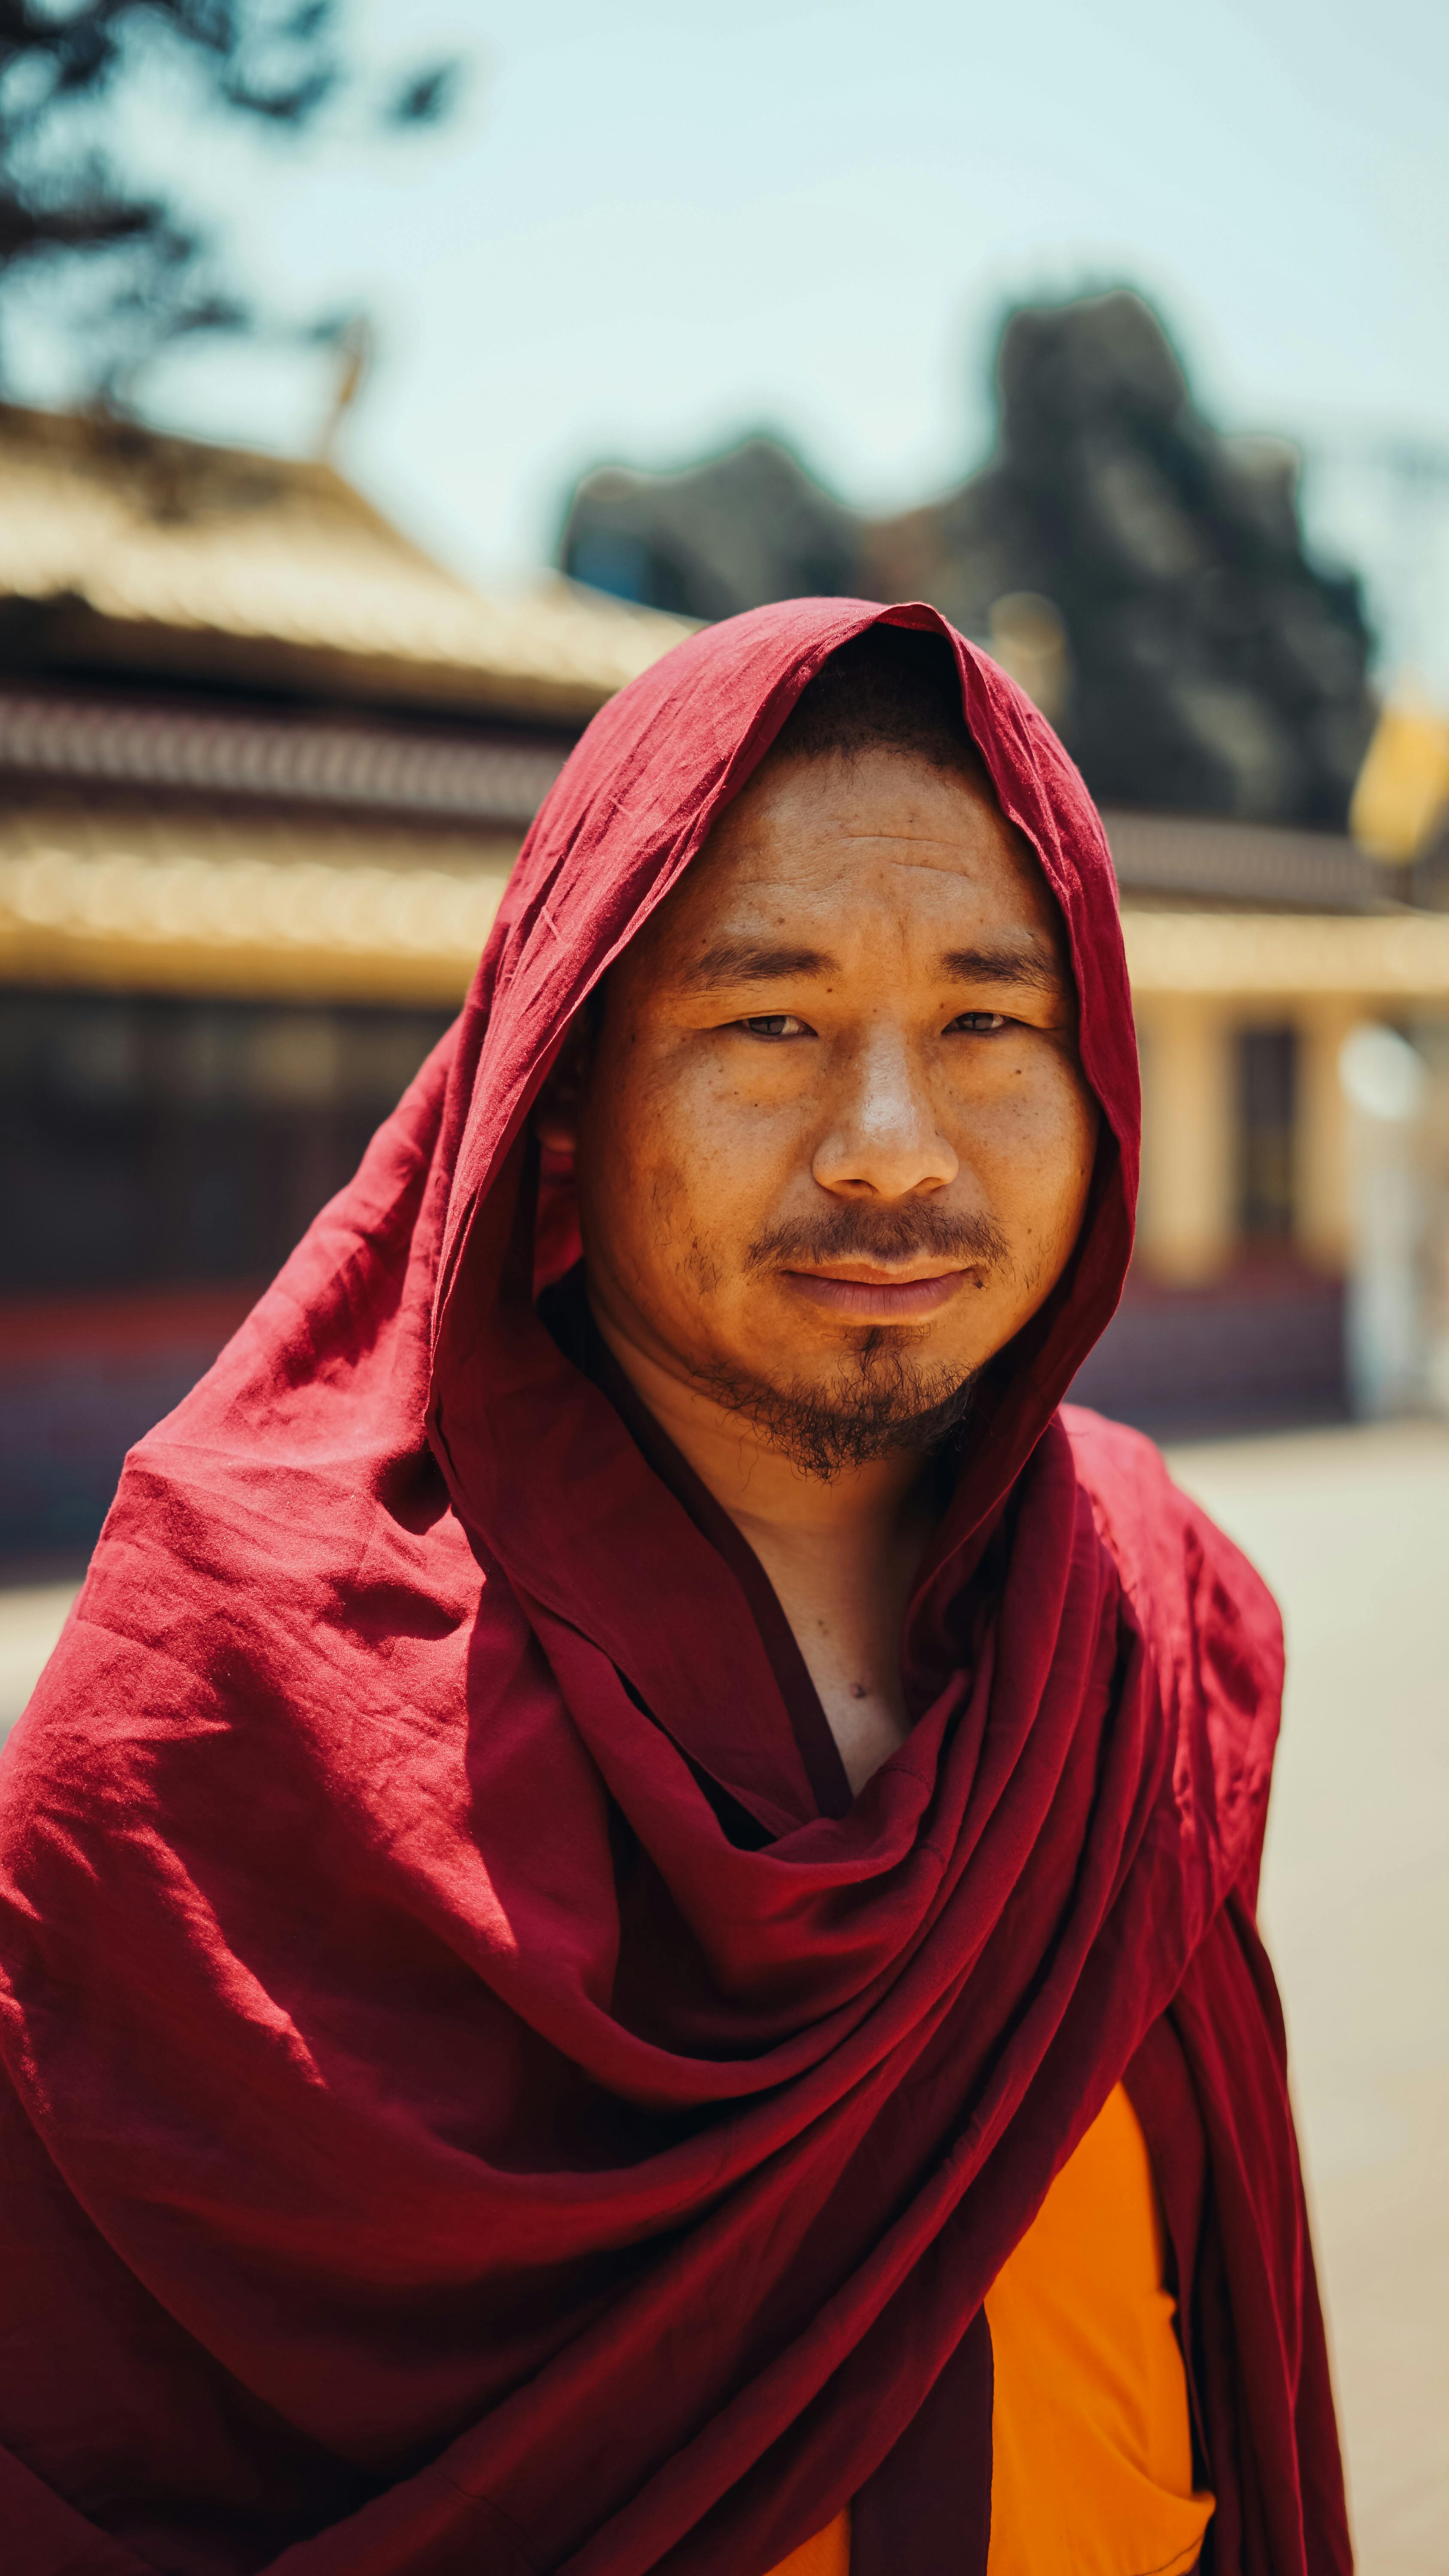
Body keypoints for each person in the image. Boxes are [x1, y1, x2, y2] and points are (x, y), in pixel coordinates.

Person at [0, 604, 1349, 2576]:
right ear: (562, 1080)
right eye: (769, 1021)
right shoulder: (221, 1732)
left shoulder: (1142, 1628)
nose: (892, 1150)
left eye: (989, 1024)